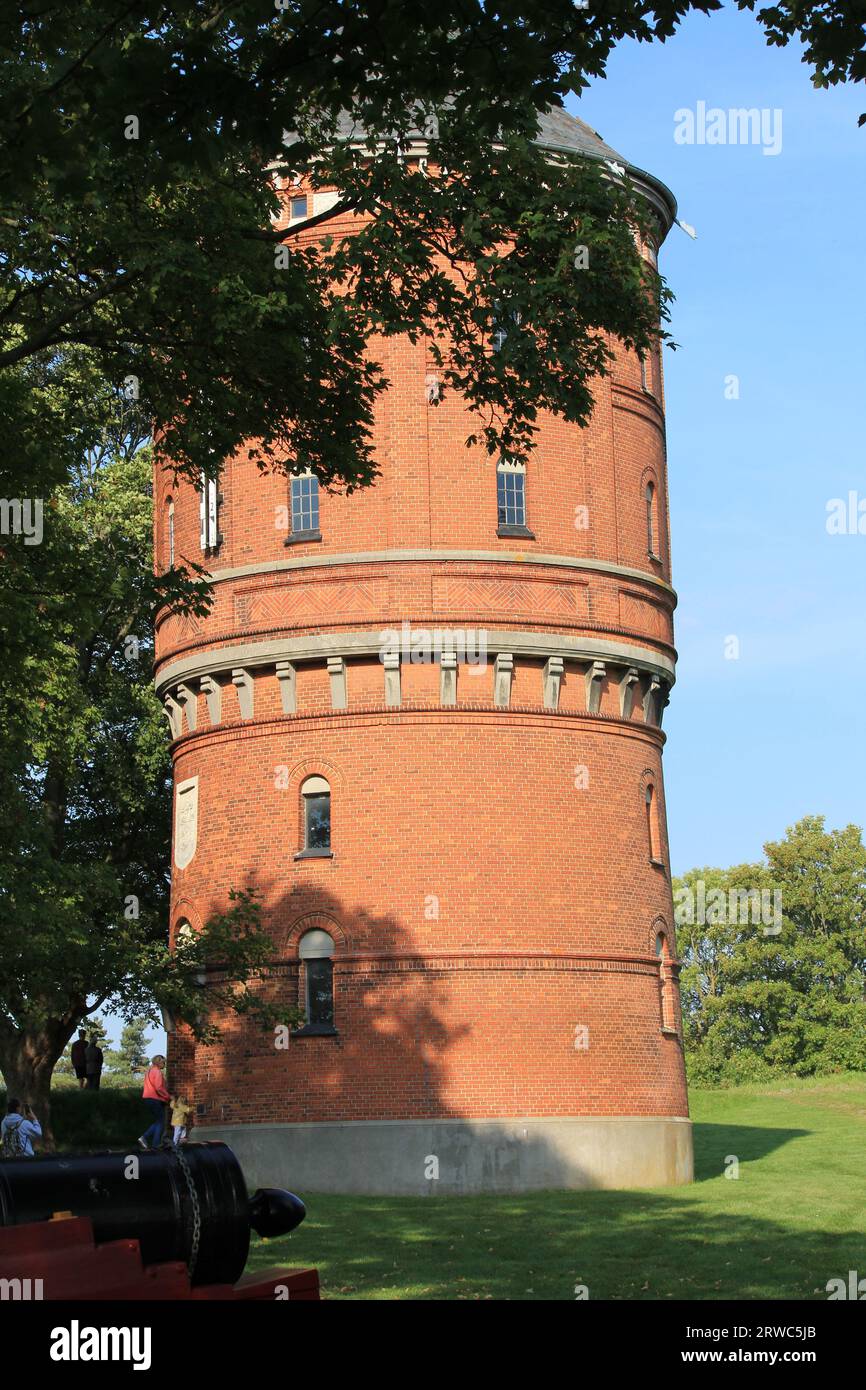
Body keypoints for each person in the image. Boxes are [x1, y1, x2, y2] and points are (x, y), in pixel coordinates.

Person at [138, 1054, 171, 1150]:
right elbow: (159, 1088)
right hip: (155, 1099)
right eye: (163, 1062)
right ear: (159, 1062)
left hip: (147, 1098)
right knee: (160, 1122)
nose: (164, 1064)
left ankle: (154, 1144)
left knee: (158, 1121)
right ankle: (149, 1140)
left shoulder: (149, 1071)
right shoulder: (157, 1072)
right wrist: (168, 1097)